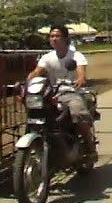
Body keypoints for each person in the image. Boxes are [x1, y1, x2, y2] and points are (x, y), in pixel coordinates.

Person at [27, 24, 97, 155]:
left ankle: (89, 145)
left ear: (65, 38)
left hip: (72, 91)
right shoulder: (47, 57)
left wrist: (80, 79)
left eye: (57, 36)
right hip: (53, 92)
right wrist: (27, 82)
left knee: (78, 113)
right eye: (51, 36)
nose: (54, 39)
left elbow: (81, 71)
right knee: (35, 111)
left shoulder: (76, 55)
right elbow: (37, 71)